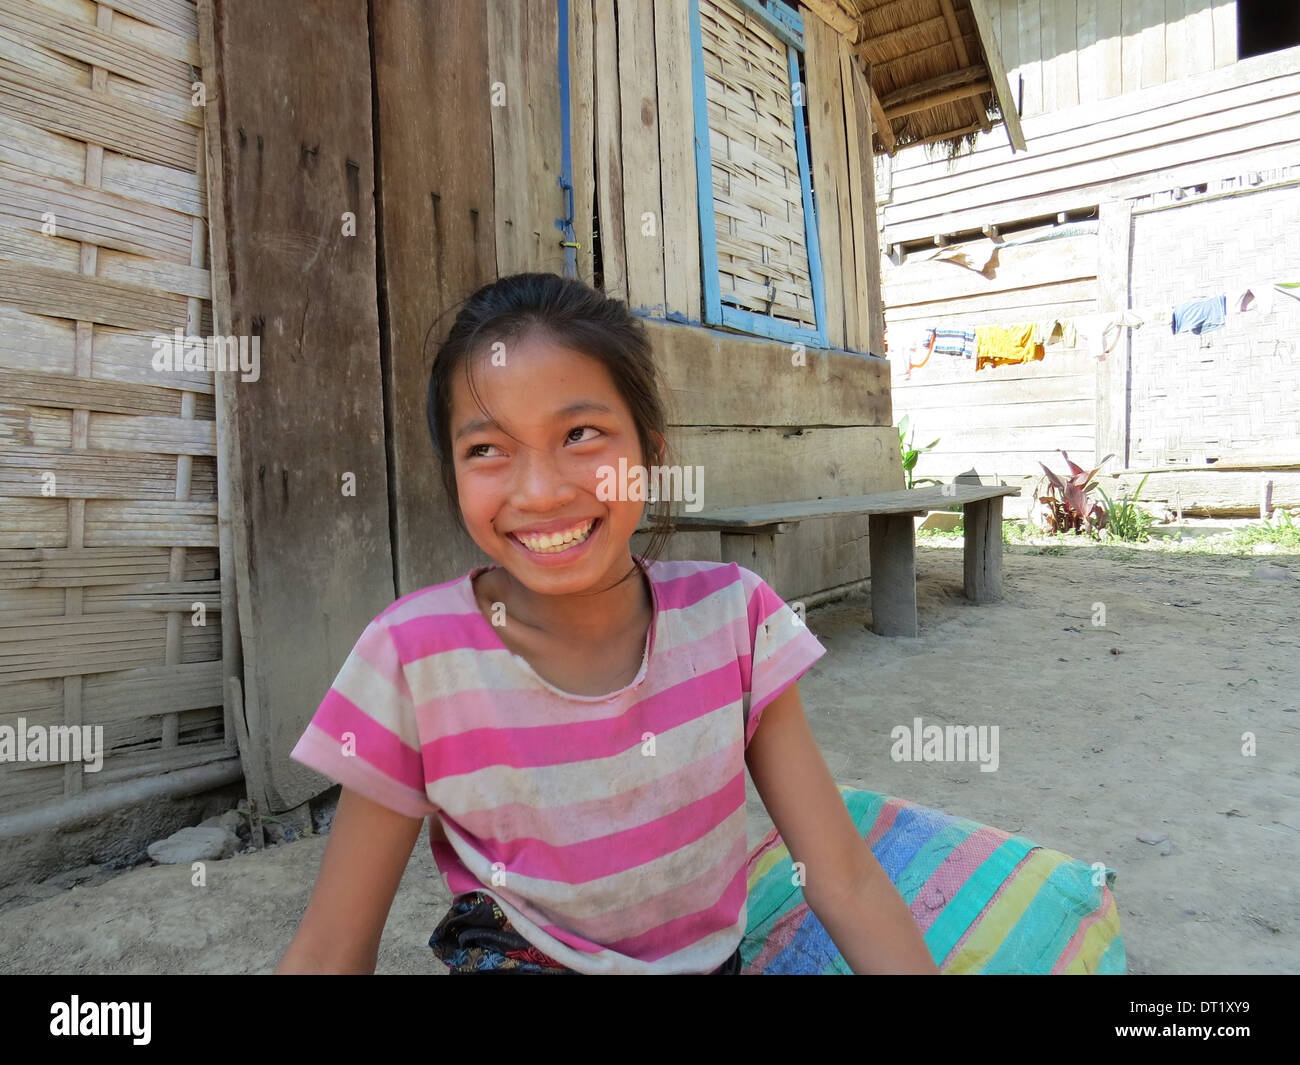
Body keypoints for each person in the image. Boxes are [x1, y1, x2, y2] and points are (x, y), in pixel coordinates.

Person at [275, 273, 938, 975]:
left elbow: (846, 879)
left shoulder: (733, 621)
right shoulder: (414, 658)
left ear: (649, 449)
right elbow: (331, 950)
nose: (541, 490)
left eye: (581, 433)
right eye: (487, 449)